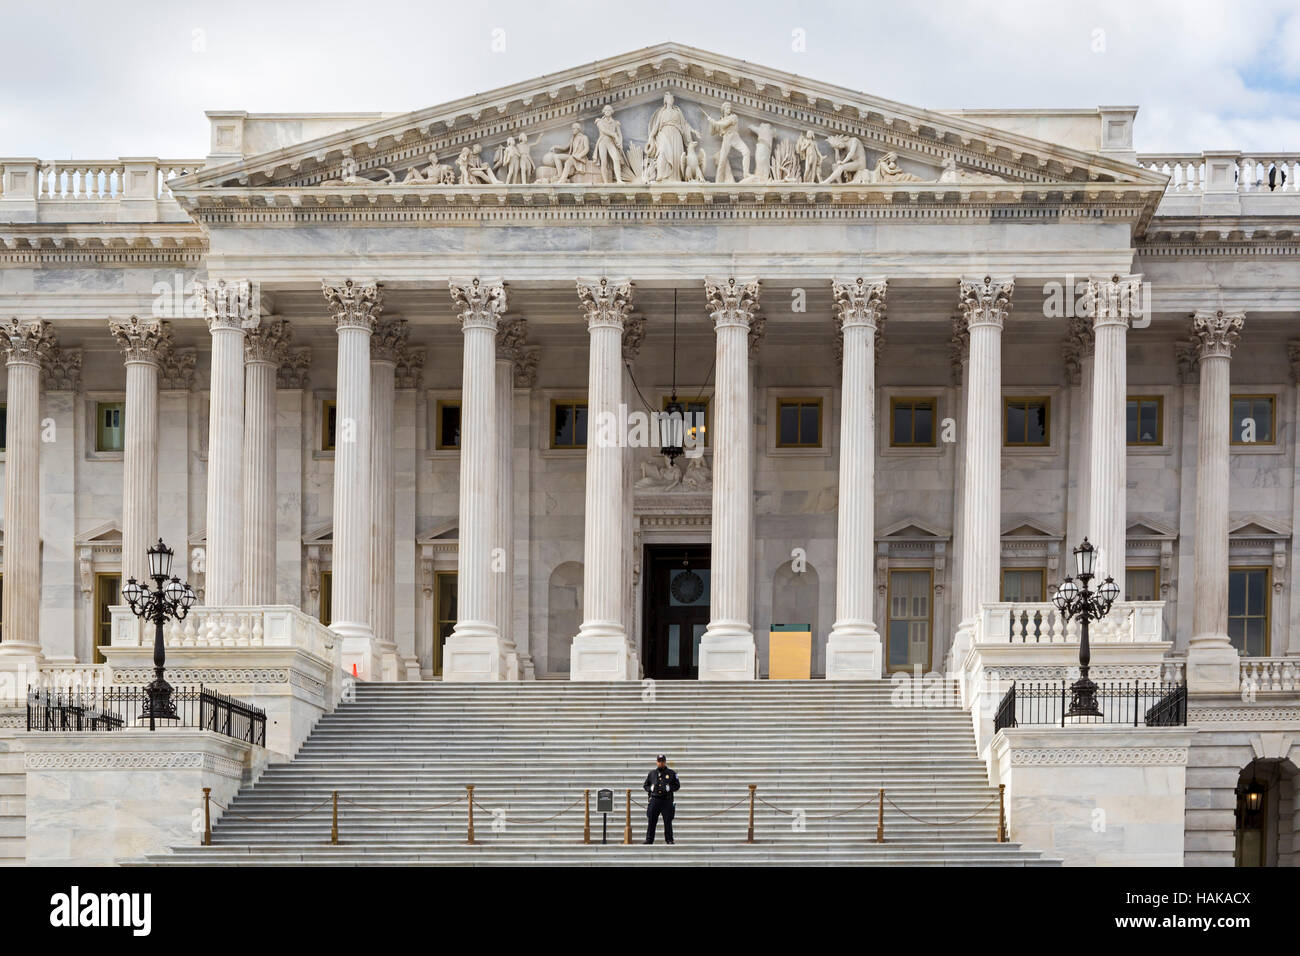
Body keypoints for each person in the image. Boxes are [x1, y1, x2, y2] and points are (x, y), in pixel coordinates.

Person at [643, 754, 680, 844]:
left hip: (666, 800)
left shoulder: (671, 773)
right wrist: (650, 789)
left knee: (667, 821)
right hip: (655, 800)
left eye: (662, 761)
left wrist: (670, 788)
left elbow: (677, 785)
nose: (661, 763)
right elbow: (645, 785)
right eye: (659, 761)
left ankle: (669, 839)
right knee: (651, 821)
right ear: (657, 762)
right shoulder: (652, 773)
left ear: (665, 762)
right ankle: (649, 839)